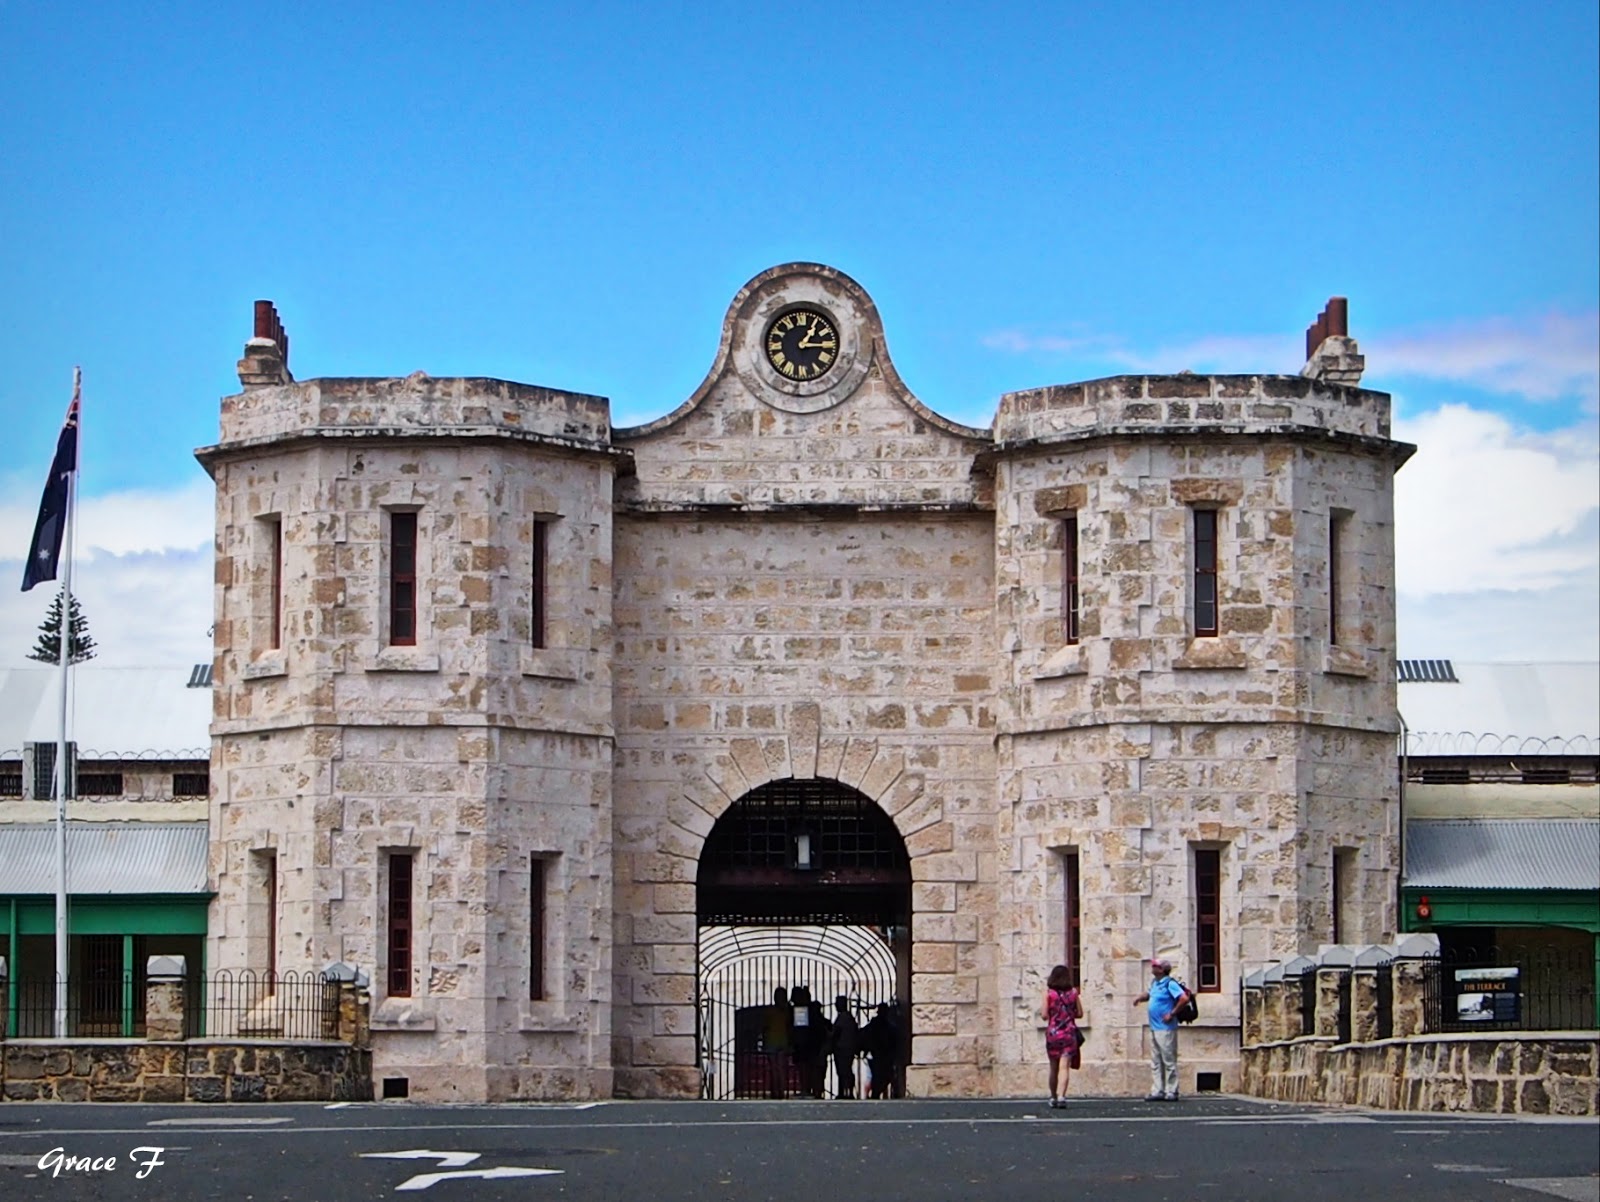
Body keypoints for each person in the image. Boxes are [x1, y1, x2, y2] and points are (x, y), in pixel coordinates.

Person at [1133, 957, 1193, 1101]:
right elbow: (1150, 995)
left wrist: (1172, 1013)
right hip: (1155, 1026)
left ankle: (1172, 1090)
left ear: (1161, 969)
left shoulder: (1170, 983)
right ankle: (1158, 1090)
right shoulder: (1155, 983)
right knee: (1156, 1060)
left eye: (1155, 966)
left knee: (1168, 1059)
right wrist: (1141, 998)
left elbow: (1184, 998)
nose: (1152, 968)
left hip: (1166, 1028)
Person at [1041, 964, 1082, 1108]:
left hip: (1053, 1034)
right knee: (1065, 1066)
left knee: (1054, 1067)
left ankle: (1053, 1097)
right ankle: (1062, 1096)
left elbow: (1044, 1015)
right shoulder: (1073, 993)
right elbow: (1080, 1013)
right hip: (1069, 1033)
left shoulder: (1049, 994)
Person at [860, 1002, 901, 1099]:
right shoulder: (887, 1025)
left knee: (880, 1075)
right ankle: (879, 1093)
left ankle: (877, 1093)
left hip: (878, 1054)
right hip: (882, 1054)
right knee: (885, 1075)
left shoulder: (877, 1024)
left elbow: (864, 1034)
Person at [763, 986, 792, 1099]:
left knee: (778, 1069)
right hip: (776, 1042)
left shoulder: (780, 1011)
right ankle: (778, 1091)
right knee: (777, 1069)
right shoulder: (785, 1011)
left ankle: (779, 1091)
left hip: (777, 1042)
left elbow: (765, 1027)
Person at [829, 995, 861, 1098]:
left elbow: (836, 1033)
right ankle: (847, 1091)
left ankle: (844, 1091)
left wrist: (830, 1040)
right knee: (846, 1070)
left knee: (843, 1071)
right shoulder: (850, 1018)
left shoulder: (842, 1017)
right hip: (848, 1047)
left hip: (841, 1048)